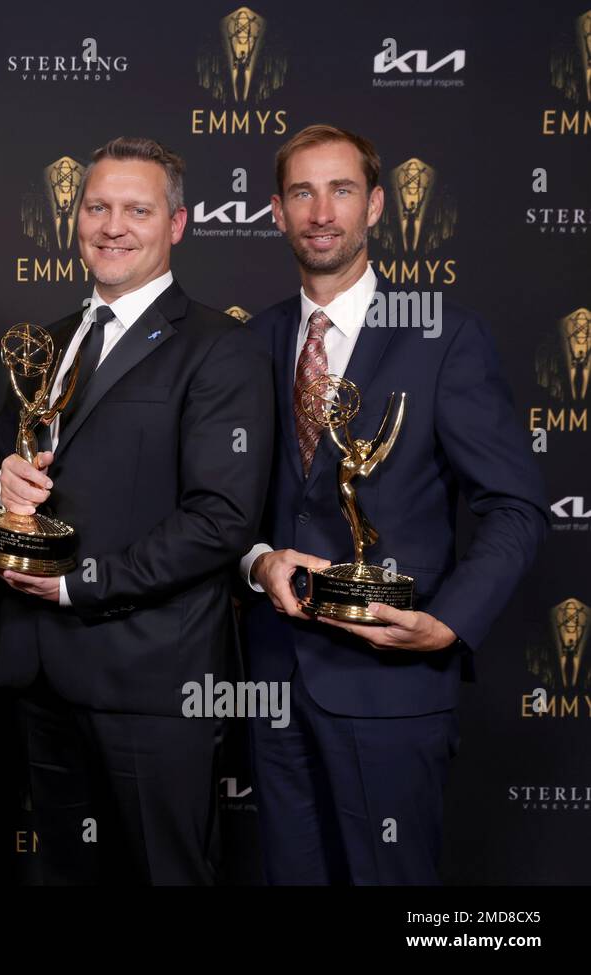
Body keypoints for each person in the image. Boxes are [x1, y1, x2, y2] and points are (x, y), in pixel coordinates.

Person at [241, 124, 547, 884]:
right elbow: (225, 503)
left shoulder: (444, 335)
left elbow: (515, 504)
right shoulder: (250, 341)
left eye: (341, 190)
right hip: (272, 681)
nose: (321, 212)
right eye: (302, 192)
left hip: (393, 688)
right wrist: (256, 559)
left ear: (376, 205)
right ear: (275, 211)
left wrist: (450, 623)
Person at [0, 137, 274, 884]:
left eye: (137, 210)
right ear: (75, 216)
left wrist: (74, 584)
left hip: (153, 679)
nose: (113, 225)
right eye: (98, 206)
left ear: (176, 224)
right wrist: (5, 486)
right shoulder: (48, 343)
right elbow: (21, 466)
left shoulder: (220, 348)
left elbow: (220, 518)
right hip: (43, 673)